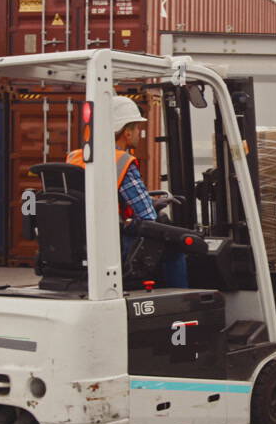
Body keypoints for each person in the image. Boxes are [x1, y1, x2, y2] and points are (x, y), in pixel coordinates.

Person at [66, 95, 188, 288]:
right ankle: (184, 300)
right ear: (127, 132)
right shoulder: (121, 161)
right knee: (177, 245)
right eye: (137, 127)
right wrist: (153, 208)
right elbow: (147, 217)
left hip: (82, 243)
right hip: (115, 244)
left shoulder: (75, 157)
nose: (139, 132)